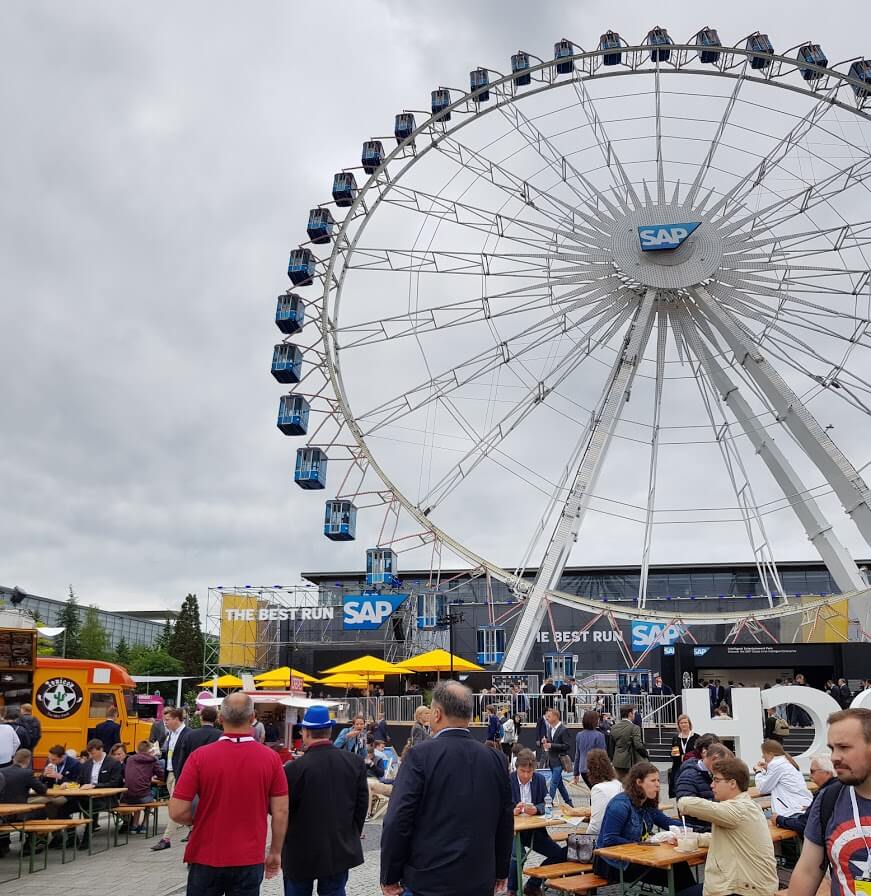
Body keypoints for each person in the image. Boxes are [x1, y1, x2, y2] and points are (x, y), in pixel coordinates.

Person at [380, 681, 513, 896]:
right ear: (468, 715)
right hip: (479, 878)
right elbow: (505, 819)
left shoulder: (419, 756)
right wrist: (501, 871)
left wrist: (389, 876)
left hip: (429, 880)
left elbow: (397, 819)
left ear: (437, 714)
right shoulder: (496, 759)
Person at [169, 692, 288, 896]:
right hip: (249, 857)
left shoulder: (199, 757)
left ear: (220, 719)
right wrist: (275, 851)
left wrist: (199, 819)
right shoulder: (271, 759)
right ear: (252, 718)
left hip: (206, 855)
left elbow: (177, 811)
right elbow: (281, 811)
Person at [283, 704, 368, 896]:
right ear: (330, 731)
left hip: (300, 848)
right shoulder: (354, 763)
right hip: (338, 845)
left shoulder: (293, 769)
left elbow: (282, 809)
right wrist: (352, 833)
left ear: (305, 731)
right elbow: (361, 805)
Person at [787, 708, 871, 896]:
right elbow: (808, 870)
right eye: (832, 748)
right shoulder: (828, 799)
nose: (834, 757)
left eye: (844, 747)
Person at [677, 756, 778, 896]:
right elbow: (725, 839)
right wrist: (697, 839)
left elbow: (687, 804)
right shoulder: (746, 805)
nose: (712, 785)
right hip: (749, 885)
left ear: (732, 783)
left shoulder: (738, 809)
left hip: (744, 889)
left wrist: (681, 800)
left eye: (716, 780)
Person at [594, 761, 696, 895]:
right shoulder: (620, 805)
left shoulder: (647, 803)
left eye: (658, 780)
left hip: (639, 856)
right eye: (653, 780)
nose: (658, 785)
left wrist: (698, 830)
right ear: (638, 782)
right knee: (677, 873)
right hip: (614, 864)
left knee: (679, 865)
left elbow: (666, 822)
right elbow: (609, 840)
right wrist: (644, 845)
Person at [507, 750, 567, 896]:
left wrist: (536, 809)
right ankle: (512, 890)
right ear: (516, 768)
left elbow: (547, 803)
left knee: (559, 854)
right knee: (517, 856)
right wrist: (512, 811)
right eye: (523, 771)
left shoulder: (539, 779)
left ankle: (532, 885)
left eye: (530, 771)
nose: (526, 775)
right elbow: (499, 805)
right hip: (514, 830)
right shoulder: (507, 780)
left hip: (534, 829)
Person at [151, 706, 193, 851]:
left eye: (168, 720)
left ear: (177, 719)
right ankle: (194, 828)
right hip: (169, 773)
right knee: (179, 808)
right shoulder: (171, 734)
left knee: (174, 807)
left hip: (179, 774)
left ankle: (166, 838)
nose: (165, 723)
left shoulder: (188, 734)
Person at [771, 753, 837, 836]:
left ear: (827, 773)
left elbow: (804, 825)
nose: (810, 776)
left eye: (812, 771)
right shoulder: (840, 787)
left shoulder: (825, 793)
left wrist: (778, 819)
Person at [674, 737, 732, 832]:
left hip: (716, 828)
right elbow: (685, 810)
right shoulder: (688, 776)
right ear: (714, 758)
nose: (724, 768)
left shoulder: (712, 774)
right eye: (723, 763)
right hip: (699, 831)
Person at [75, 738, 124, 847]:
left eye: (93, 753)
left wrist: (94, 786)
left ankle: (86, 837)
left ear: (101, 749)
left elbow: (114, 783)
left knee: (89, 806)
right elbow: (80, 780)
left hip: (106, 798)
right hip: (86, 797)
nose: (91, 756)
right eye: (90, 753)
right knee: (65, 805)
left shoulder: (113, 763)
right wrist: (71, 785)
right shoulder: (87, 764)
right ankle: (69, 837)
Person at [753, 739, 812, 819]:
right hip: (803, 806)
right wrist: (766, 769)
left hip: (792, 811)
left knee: (758, 819)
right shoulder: (786, 761)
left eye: (764, 754)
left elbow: (762, 788)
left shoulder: (776, 764)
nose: (762, 756)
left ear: (770, 754)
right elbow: (775, 779)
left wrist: (758, 772)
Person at [122, 740, 161, 833]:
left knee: (137, 796)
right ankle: (144, 823)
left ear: (137, 750)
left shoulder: (130, 759)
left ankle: (135, 825)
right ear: (149, 750)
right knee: (152, 799)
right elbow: (161, 775)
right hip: (143, 797)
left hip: (127, 796)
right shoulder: (152, 760)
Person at [581, 748, 622, 837]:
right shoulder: (618, 784)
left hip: (606, 838)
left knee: (569, 847)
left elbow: (596, 826)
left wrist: (585, 837)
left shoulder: (598, 789)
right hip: (620, 833)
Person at [541, 707, 574, 808]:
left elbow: (567, 746)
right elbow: (552, 742)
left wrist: (551, 745)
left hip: (559, 760)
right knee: (559, 784)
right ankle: (569, 802)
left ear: (555, 717)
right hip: (552, 760)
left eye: (549, 716)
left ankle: (548, 804)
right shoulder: (550, 728)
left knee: (554, 783)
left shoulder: (564, 730)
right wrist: (546, 741)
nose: (547, 718)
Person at [609, 704, 649, 780]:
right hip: (630, 761)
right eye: (633, 713)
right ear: (630, 714)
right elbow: (638, 745)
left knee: (620, 785)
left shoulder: (614, 727)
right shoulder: (634, 728)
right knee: (631, 785)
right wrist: (645, 754)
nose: (634, 715)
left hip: (617, 761)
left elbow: (611, 746)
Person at [572, 711, 606, 789]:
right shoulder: (599, 735)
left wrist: (576, 773)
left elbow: (577, 754)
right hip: (595, 769)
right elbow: (602, 755)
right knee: (596, 792)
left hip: (583, 768)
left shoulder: (579, 735)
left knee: (593, 791)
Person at [668, 714, 698, 797]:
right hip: (678, 767)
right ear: (678, 725)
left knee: (690, 789)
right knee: (678, 789)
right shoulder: (675, 738)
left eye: (685, 722)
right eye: (681, 723)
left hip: (692, 767)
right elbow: (673, 753)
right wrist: (672, 754)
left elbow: (699, 754)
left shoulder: (696, 737)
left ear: (689, 724)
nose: (683, 724)